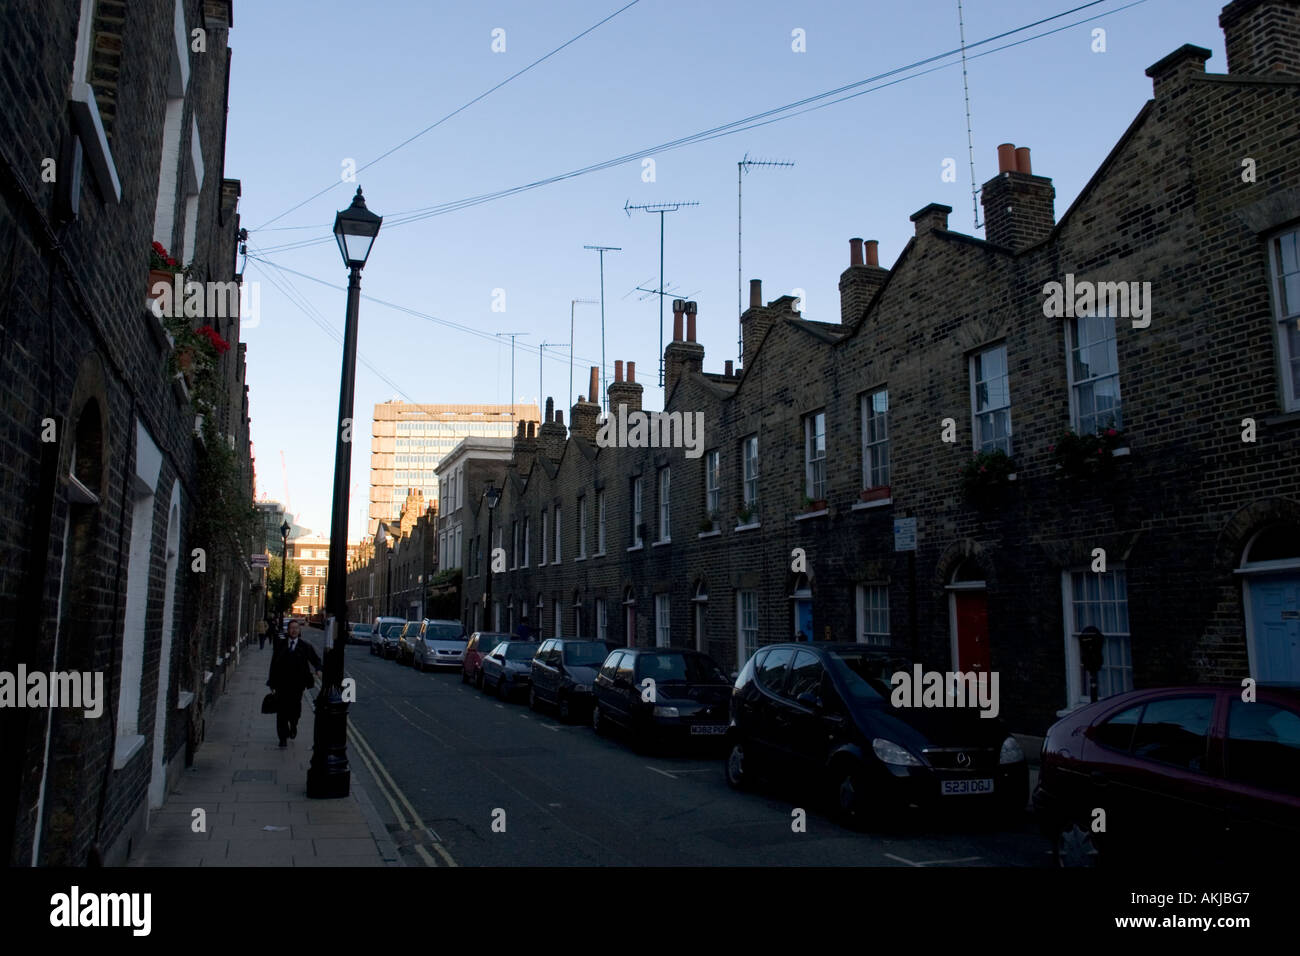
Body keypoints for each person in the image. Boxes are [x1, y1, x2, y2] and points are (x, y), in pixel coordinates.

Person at [267, 619, 322, 747]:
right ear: (288, 630)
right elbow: (273, 664)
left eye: (296, 628)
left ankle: (293, 725)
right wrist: (271, 682)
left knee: (295, 711)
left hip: (297, 685)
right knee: (281, 712)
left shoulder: (305, 646)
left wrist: (319, 669)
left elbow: (316, 660)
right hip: (281, 684)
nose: (294, 630)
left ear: (299, 630)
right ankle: (282, 738)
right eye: (291, 628)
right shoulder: (281, 645)